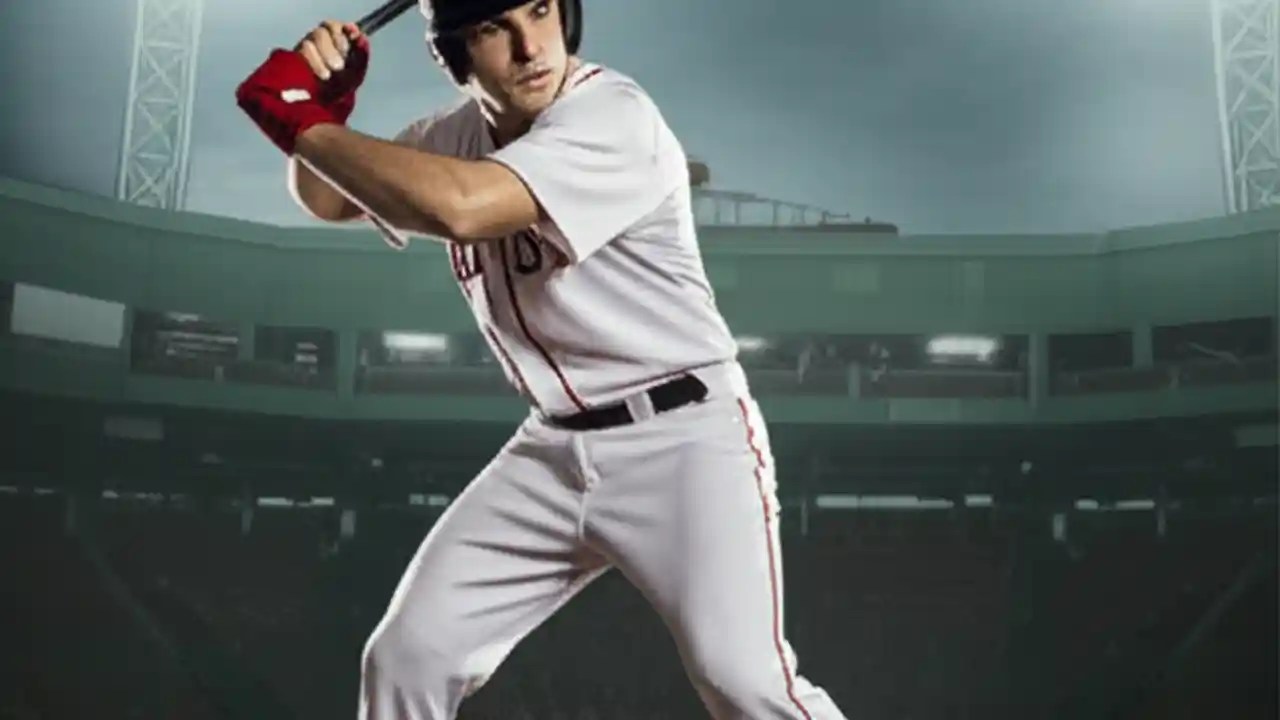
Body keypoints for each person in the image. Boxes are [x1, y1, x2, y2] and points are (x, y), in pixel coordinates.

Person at [234, 1, 849, 717]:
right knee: (407, 658)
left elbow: (460, 206)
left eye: (541, 9)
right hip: (552, 446)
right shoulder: (454, 134)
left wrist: (306, 124)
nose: (531, 45)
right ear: (455, 52)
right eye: (496, 26)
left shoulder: (613, 115)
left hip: (683, 438)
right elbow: (327, 197)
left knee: (744, 683)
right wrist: (328, 113)